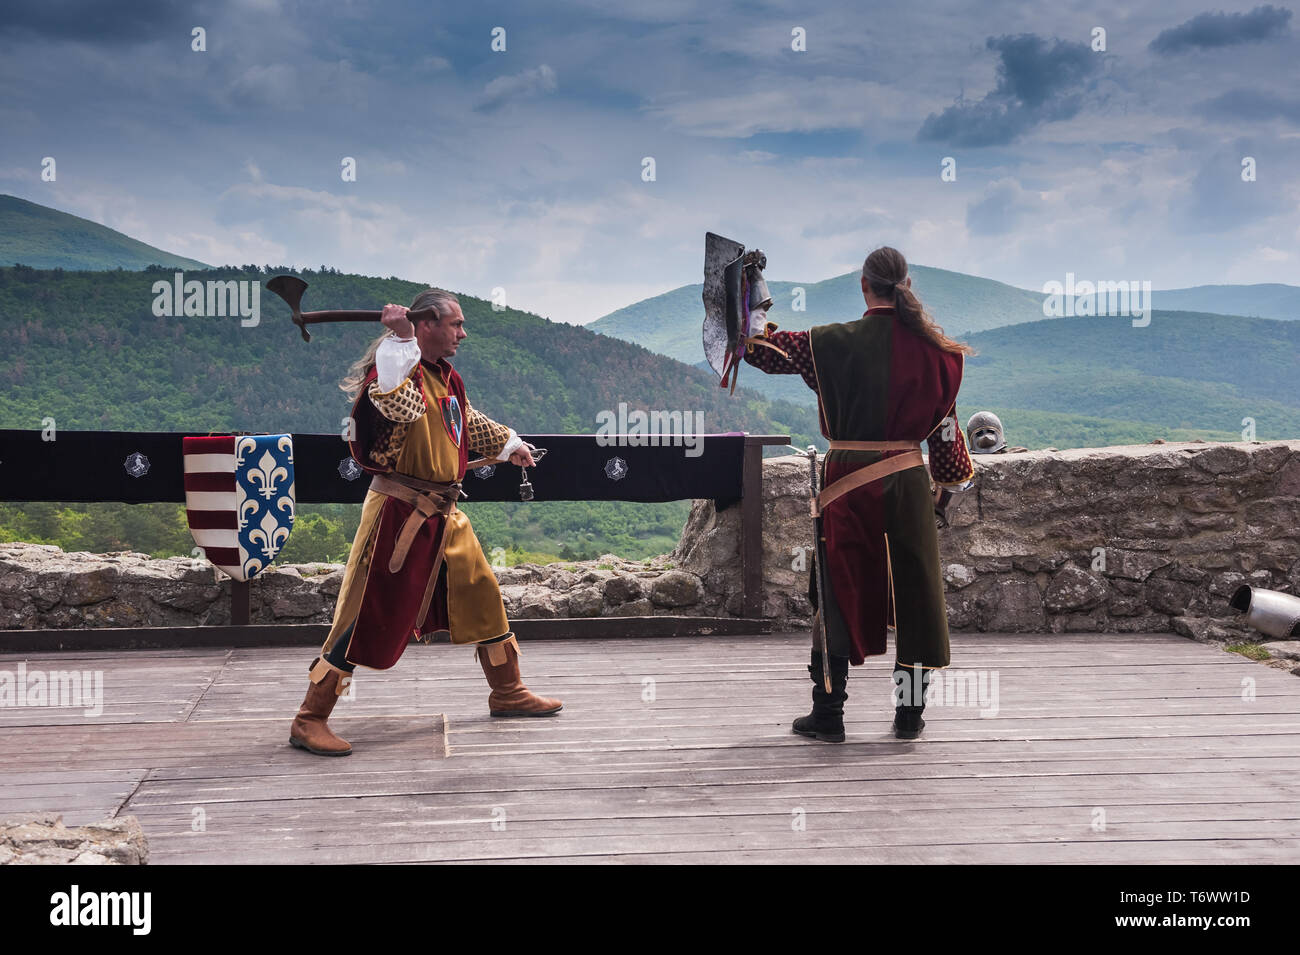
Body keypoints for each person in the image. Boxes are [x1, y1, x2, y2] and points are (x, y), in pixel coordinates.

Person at [289, 289, 562, 756]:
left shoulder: (445, 377)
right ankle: (309, 717)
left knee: (483, 595)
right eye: (455, 324)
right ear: (427, 326)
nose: (463, 332)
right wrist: (398, 339)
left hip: (445, 512)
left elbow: (463, 421)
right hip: (398, 515)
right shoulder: (395, 374)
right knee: (363, 613)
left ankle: (508, 691)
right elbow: (399, 405)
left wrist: (507, 443)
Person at [743, 247, 974, 741]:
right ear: (906, 284)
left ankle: (828, 714)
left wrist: (752, 298)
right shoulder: (942, 354)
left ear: (862, 285)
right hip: (910, 483)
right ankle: (909, 716)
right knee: (916, 596)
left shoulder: (829, 344)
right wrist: (945, 491)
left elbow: (758, 349)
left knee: (837, 587)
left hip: (846, 480)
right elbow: (948, 438)